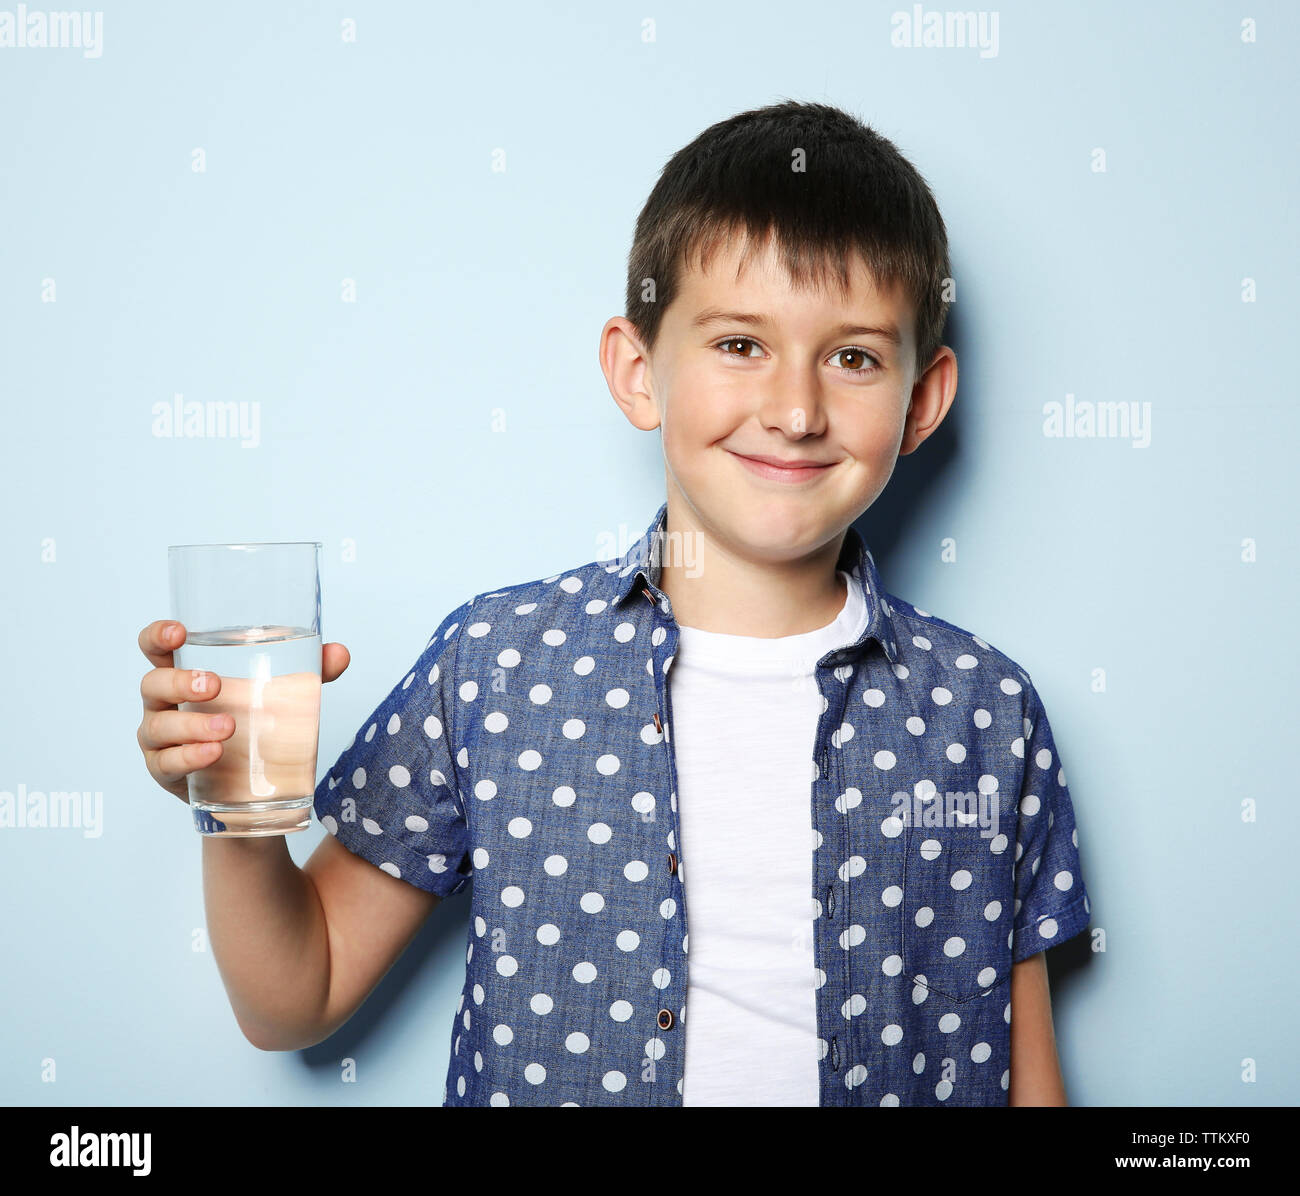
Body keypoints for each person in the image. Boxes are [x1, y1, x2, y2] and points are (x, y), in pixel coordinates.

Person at [136, 99, 1091, 1107]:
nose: (797, 409)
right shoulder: (497, 664)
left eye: (852, 356)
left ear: (923, 400)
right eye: (738, 344)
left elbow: (1025, 1076)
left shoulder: (987, 710)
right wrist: (229, 806)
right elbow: (297, 994)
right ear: (639, 374)